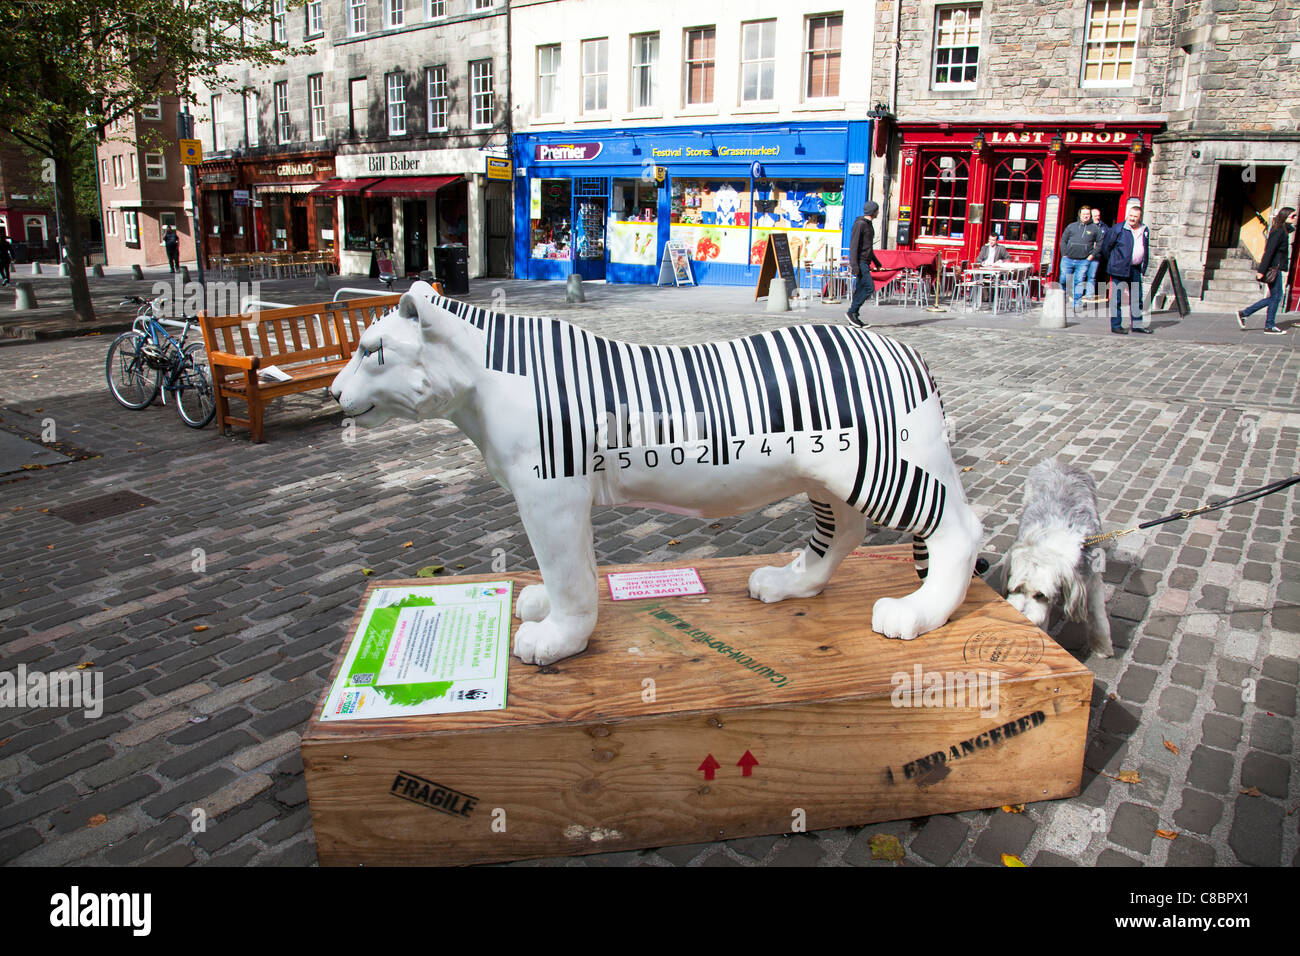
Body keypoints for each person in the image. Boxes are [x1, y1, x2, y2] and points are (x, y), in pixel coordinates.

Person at [1236, 206, 1295, 335]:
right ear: (1285, 216)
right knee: (1276, 296)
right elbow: (1269, 251)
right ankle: (1268, 325)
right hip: (1272, 268)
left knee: (1275, 296)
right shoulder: (1279, 231)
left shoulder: (1283, 230)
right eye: (1293, 216)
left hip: (1275, 267)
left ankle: (1245, 313)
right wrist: (1262, 270)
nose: (1295, 219)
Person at [1102, 199, 1152, 335]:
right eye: (1130, 216)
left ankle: (1137, 324)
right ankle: (1116, 325)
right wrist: (1115, 261)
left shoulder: (1144, 230)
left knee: (1137, 298)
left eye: (1135, 217)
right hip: (1118, 269)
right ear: (1127, 215)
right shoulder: (1118, 229)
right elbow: (1106, 247)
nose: (1132, 219)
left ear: (1140, 217)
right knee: (1117, 298)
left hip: (1135, 268)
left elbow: (1145, 248)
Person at [845, 200, 883, 327]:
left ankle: (854, 316)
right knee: (869, 287)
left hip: (865, 262)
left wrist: (876, 262)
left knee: (861, 288)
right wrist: (854, 265)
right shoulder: (860, 224)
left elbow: (868, 247)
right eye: (877, 210)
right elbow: (854, 245)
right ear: (873, 211)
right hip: (860, 262)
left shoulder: (868, 224)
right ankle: (851, 312)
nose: (878, 212)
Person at [1059, 205, 1100, 310]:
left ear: (1090, 215)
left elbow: (1100, 243)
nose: (1086, 216)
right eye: (1084, 214)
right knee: (1063, 279)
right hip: (1068, 259)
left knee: (1079, 282)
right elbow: (1063, 240)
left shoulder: (1095, 228)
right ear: (1079, 215)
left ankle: (1076, 303)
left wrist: (1091, 256)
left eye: (1088, 214)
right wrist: (1064, 254)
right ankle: (1062, 299)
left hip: (1083, 261)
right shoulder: (1071, 226)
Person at [1086, 208, 1107, 301]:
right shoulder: (1085, 226)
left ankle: (1089, 295)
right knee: (1080, 274)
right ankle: (1076, 293)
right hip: (1084, 255)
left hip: (1096, 256)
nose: (1097, 217)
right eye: (1095, 216)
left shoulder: (1104, 227)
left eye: (1098, 215)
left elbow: (1107, 241)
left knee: (1092, 275)